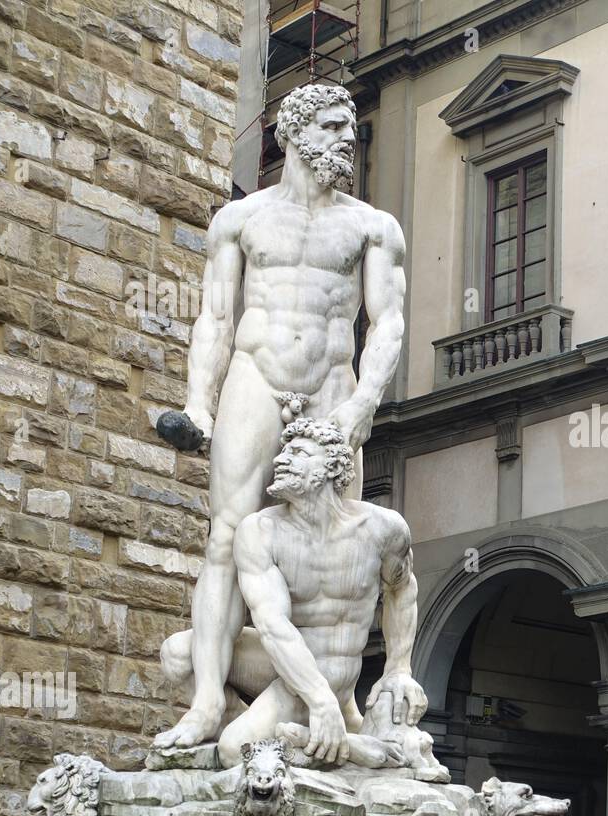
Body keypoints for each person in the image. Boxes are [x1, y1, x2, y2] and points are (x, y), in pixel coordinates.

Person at [154, 84, 407, 750]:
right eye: (332, 126)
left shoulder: (372, 226)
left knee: (334, 546)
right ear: (293, 133)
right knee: (226, 535)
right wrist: (196, 405)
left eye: (351, 128)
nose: (347, 139)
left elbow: (388, 324)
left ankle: (332, 701)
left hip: (331, 388)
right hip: (255, 381)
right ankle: (208, 701)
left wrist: (361, 405)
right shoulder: (239, 220)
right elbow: (214, 318)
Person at [160, 418, 427, 768]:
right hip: (282, 658)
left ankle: (309, 739)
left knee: (233, 750)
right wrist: (319, 701)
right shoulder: (259, 530)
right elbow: (272, 625)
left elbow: (403, 590)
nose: (281, 460)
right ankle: (317, 737)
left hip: (333, 666)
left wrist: (399, 668)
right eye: (283, 452)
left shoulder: (382, 528)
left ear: (332, 466)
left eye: (298, 453)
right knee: (177, 653)